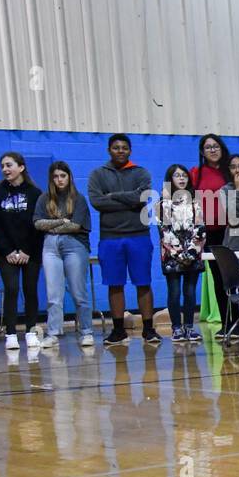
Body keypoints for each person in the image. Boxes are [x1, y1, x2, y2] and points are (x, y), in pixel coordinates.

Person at [88, 134, 156, 346]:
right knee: (114, 284)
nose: (120, 151)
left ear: (130, 150)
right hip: (110, 238)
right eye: (116, 147)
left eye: (124, 147)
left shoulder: (141, 172)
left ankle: (148, 329)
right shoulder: (98, 174)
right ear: (109, 150)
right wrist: (128, 199)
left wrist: (112, 196)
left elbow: (142, 198)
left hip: (139, 236)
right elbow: (97, 202)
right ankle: (118, 331)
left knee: (143, 283)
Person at [32, 161, 95, 348]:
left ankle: (86, 331)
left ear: (69, 177)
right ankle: (53, 333)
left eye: (63, 176)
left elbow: (75, 226)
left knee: (78, 292)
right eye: (56, 176)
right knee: (53, 294)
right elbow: (37, 223)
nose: (59, 180)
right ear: (51, 179)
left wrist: (51, 224)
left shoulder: (78, 199)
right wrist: (61, 221)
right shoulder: (44, 199)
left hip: (75, 245)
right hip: (50, 247)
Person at [0, 153, 44, 350]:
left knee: (30, 290)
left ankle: (30, 331)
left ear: (21, 167)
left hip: (31, 252)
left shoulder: (35, 193)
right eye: (2, 166)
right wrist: (8, 250)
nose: (5, 169)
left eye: (9, 165)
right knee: (12, 289)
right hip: (7, 253)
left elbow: (38, 225)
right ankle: (11, 334)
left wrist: (27, 250)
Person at [190, 133, 235, 339]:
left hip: (234, 232)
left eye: (216, 146)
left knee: (238, 277)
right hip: (210, 234)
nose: (212, 150)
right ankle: (227, 323)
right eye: (208, 147)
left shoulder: (232, 169)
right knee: (219, 278)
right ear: (202, 152)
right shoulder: (196, 173)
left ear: (222, 148)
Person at [157, 164, 206, 343]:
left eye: (184, 175)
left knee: (190, 292)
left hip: (193, 255)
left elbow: (200, 229)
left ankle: (190, 328)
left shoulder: (195, 202)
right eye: (177, 175)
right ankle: (176, 328)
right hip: (172, 256)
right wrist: (179, 253)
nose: (182, 178)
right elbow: (164, 231)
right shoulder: (163, 203)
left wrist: (192, 252)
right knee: (175, 292)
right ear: (170, 179)